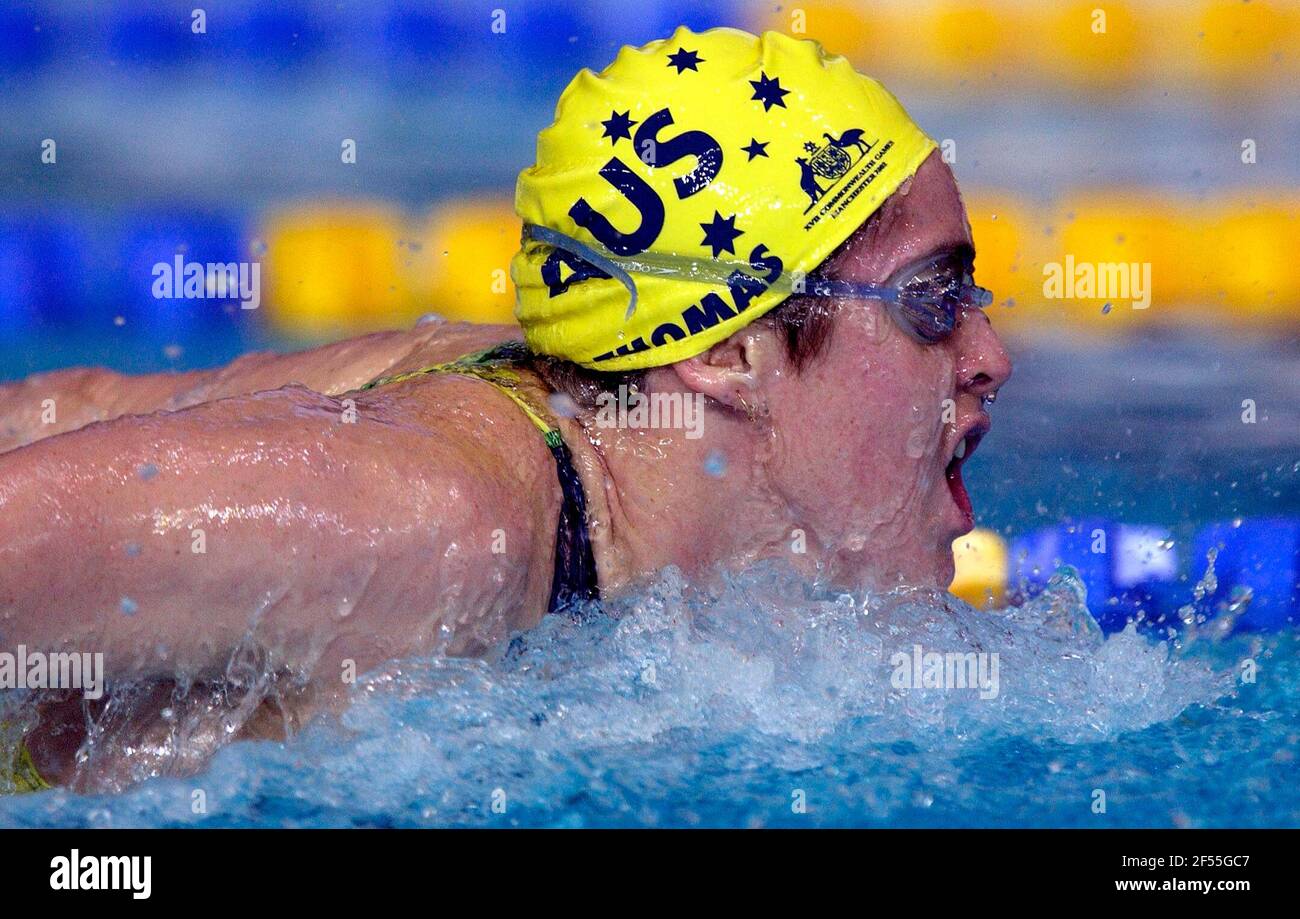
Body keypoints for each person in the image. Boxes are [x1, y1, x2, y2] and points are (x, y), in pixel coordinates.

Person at [0, 27, 1011, 791]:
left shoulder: (524, 419)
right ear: (726, 351)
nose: (989, 356)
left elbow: (70, 408)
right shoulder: (429, 524)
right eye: (933, 301)